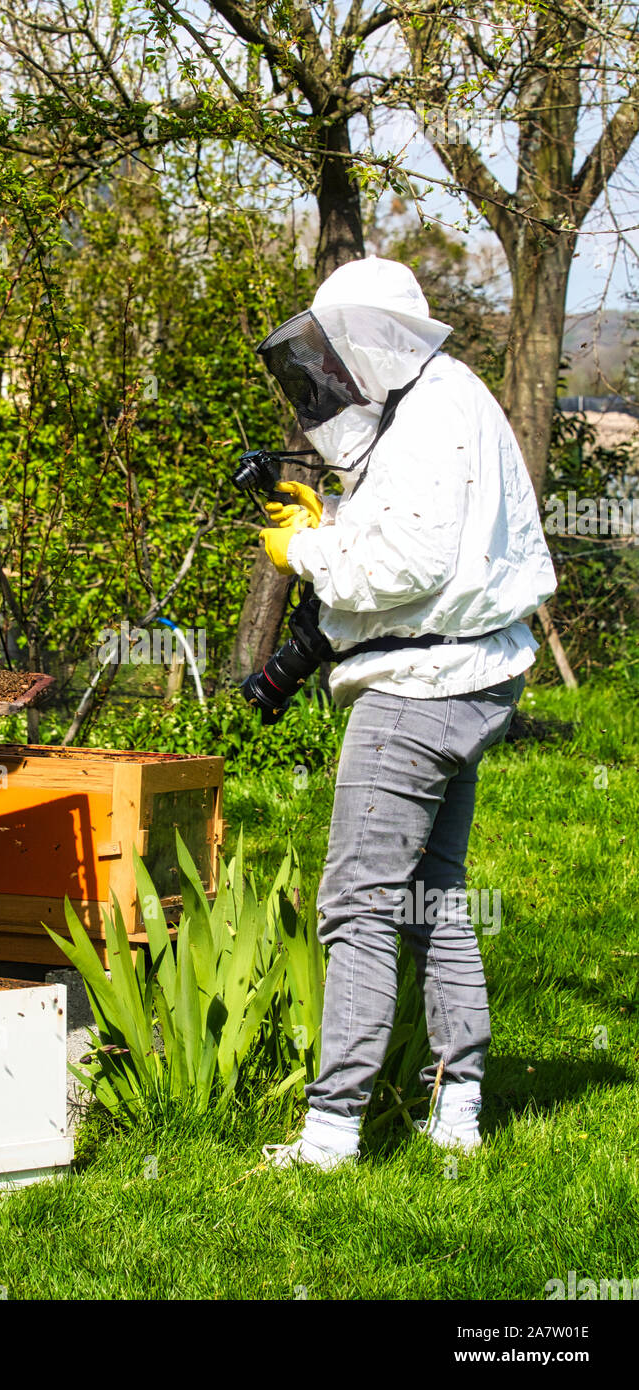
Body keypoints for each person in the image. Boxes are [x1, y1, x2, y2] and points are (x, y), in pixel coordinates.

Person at [255, 256, 556, 1168]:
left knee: (357, 904)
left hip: (418, 691)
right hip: (473, 677)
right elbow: (414, 540)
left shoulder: (429, 414)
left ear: (372, 338)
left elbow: (410, 570)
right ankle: (458, 1105)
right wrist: (331, 520)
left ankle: (333, 1129)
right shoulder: (445, 399)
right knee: (435, 896)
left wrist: (307, 553)